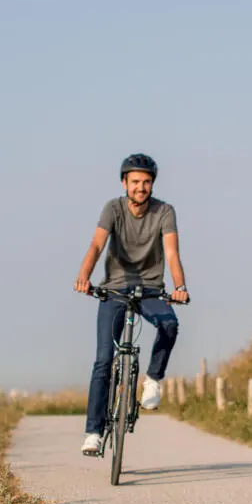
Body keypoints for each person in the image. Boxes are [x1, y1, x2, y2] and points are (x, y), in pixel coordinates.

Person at [74, 153, 189, 455]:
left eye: (146, 182)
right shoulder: (112, 209)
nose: (141, 187)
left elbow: (172, 253)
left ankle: (152, 379)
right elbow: (97, 245)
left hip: (150, 289)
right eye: (135, 181)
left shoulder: (165, 212)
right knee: (103, 360)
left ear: (152, 184)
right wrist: (84, 276)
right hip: (114, 289)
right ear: (124, 182)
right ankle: (94, 432)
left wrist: (180, 287)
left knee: (169, 324)